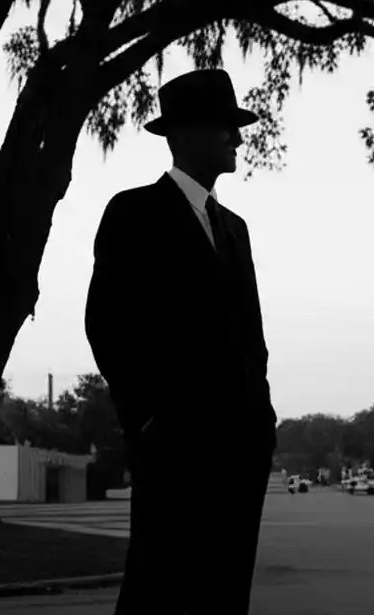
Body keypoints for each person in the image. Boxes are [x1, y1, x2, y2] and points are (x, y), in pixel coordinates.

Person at [84, 68, 278, 614]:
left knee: (225, 586)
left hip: (242, 443)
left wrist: (262, 419)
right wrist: (144, 421)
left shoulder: (235, 227)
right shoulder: (134, 212)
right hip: (173, 443)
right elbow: (106, 323)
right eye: (226, 128)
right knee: (159, 585)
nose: (237, 139)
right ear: (188, 134)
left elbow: (252, 336)